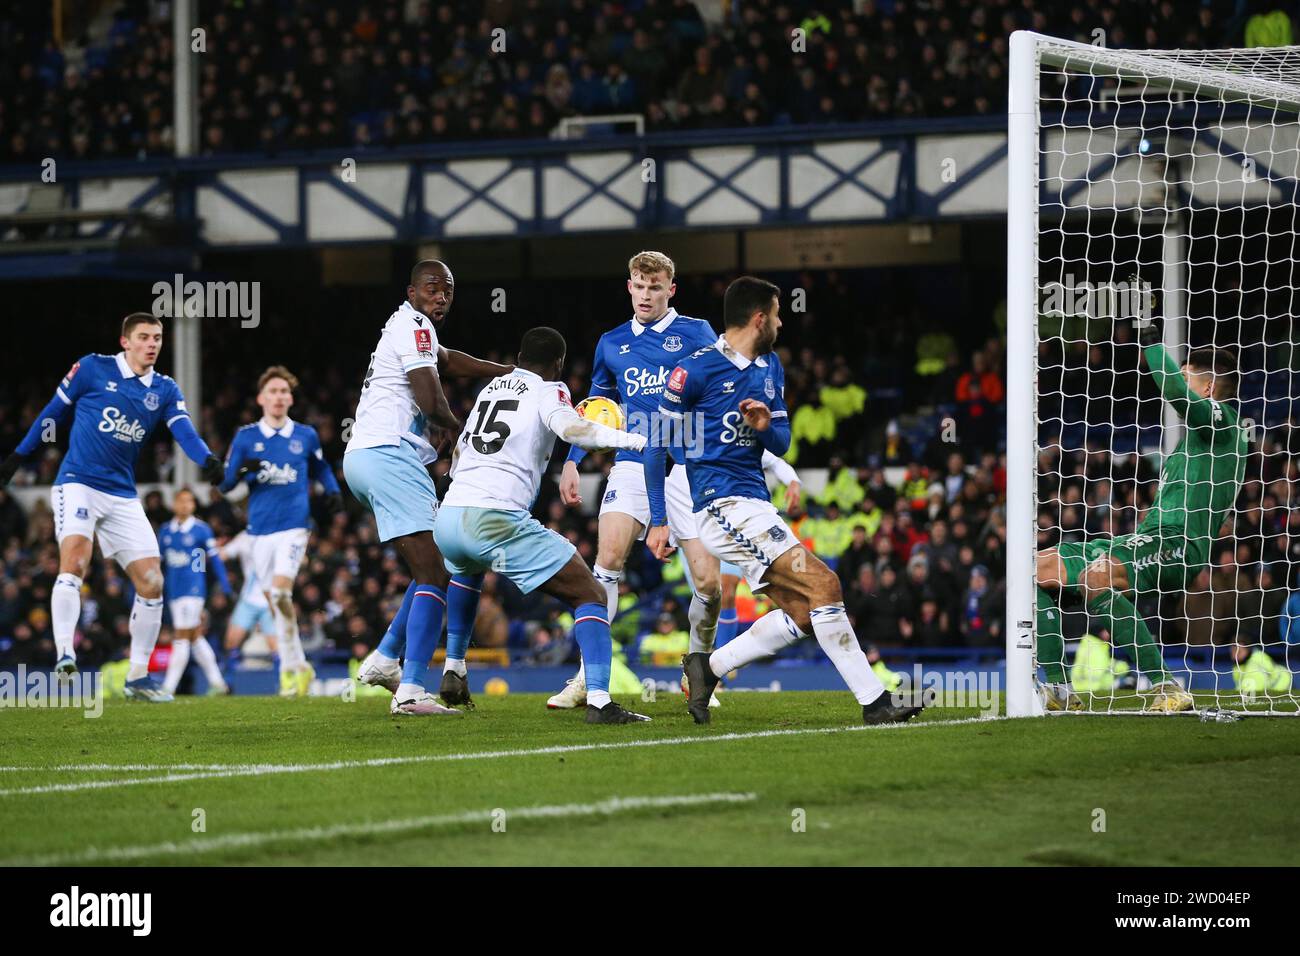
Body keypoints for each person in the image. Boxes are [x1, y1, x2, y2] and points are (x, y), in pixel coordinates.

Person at [645, 276, 923, 725]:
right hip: (720, 506)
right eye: (776, 314)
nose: (781, 322)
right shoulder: (693, 370)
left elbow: (783, 440)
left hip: (755, 503)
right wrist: (659, 519)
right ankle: (876, 703)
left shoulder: (769, 365)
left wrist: (761, 426)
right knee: (826, 584)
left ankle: (707, 666)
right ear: (759, 319)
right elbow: (656, 445)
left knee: (803, 612)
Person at [0, 312, 225, 701]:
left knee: (152, 581)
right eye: (144, 337)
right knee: (75, 560)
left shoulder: (165, 389)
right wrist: (17, 457)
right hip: (78, 483)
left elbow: (184, 430)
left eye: (157, 337)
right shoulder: (91, 369)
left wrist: (208, 460)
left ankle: (138, 677)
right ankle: (66, 653)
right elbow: (52, 412)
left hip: (122, 493)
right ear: (126, 342)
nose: (152, 344)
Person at [435, 327, 651, 723]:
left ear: (518, 356)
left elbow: (462, 448)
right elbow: (573, 429)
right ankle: (601, 702)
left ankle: (454, 668)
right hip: (493, 516)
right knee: (590, 593)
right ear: (558, 365)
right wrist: (632, 440)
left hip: (449, 514)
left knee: (467, 571)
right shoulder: (550, 390)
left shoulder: (493, 387)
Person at [1037, 328, 1248, 713]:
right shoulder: (1195, 444)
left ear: (1209, 387)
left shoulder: (1225, 422)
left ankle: (1167, 686)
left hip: (1178, 544)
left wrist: (1150, 336)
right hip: (1151, 537)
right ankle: (1057, 688)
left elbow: (1176, 395)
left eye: (1185, 375)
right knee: (1039, 568)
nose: (1177, 380)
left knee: (1095, 577)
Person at [547, 250, 721, 709]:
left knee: (709, 584)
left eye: (655, 287)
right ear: (629, 286)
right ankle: (589, 675)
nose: (646, 295)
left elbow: (721, 386)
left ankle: (700, 670)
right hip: (630, 463)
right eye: (639, 286)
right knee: (605, 562)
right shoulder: (611, 342)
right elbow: (597, 407)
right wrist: (571, 459)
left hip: (687, 468)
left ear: (670, 290)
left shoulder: (698, 333)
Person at [344, 259, 512, 716]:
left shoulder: (410, 327)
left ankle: (384, 659)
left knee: (431, 569)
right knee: (438, 571)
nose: (441, 297)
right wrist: (462, 435)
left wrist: (500, 370)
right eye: (433, 289)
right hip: (388, 453)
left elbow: (447, 361)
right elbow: (429, 396)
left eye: (448, 292)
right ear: (411, 291)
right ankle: (412, 690)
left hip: (371, 456)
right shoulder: (413, 324)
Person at [219, 366, 341, 698]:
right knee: (276, 601)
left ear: (290, 398)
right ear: (261, 398)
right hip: (258, 531)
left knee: (281, 593)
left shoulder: (305, 435)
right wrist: (242, 471)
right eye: (272, 391)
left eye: (284, 391)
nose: (278, 396)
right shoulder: (245, 437)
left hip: (294, 527)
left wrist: (331, 490)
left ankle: (290, 670)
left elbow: (321, 467)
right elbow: (226, 483)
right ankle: (297, 666)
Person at [158, 487, 232, 695]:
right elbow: (160, 562)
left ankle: (167, 687)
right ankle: (219, 684)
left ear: (193, 505)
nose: (185, 505)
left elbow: (209, 560)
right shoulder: (165, 531)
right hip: (173, 590)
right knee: (194, 637)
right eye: (181, 501)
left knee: (181, 635)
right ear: (174, 504)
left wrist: (224, 584)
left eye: (189, 501)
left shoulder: (200, 530)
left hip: (193, 589)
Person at [220, 529, 276, 661]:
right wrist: (200, 552)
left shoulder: (279, 535)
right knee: (230, 643)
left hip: (272, 601)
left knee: (277, 648)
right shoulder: (244, 537)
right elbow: (221, 555)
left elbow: (299, 561)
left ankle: (282, 681)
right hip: (248, 600)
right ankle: (228, 680)